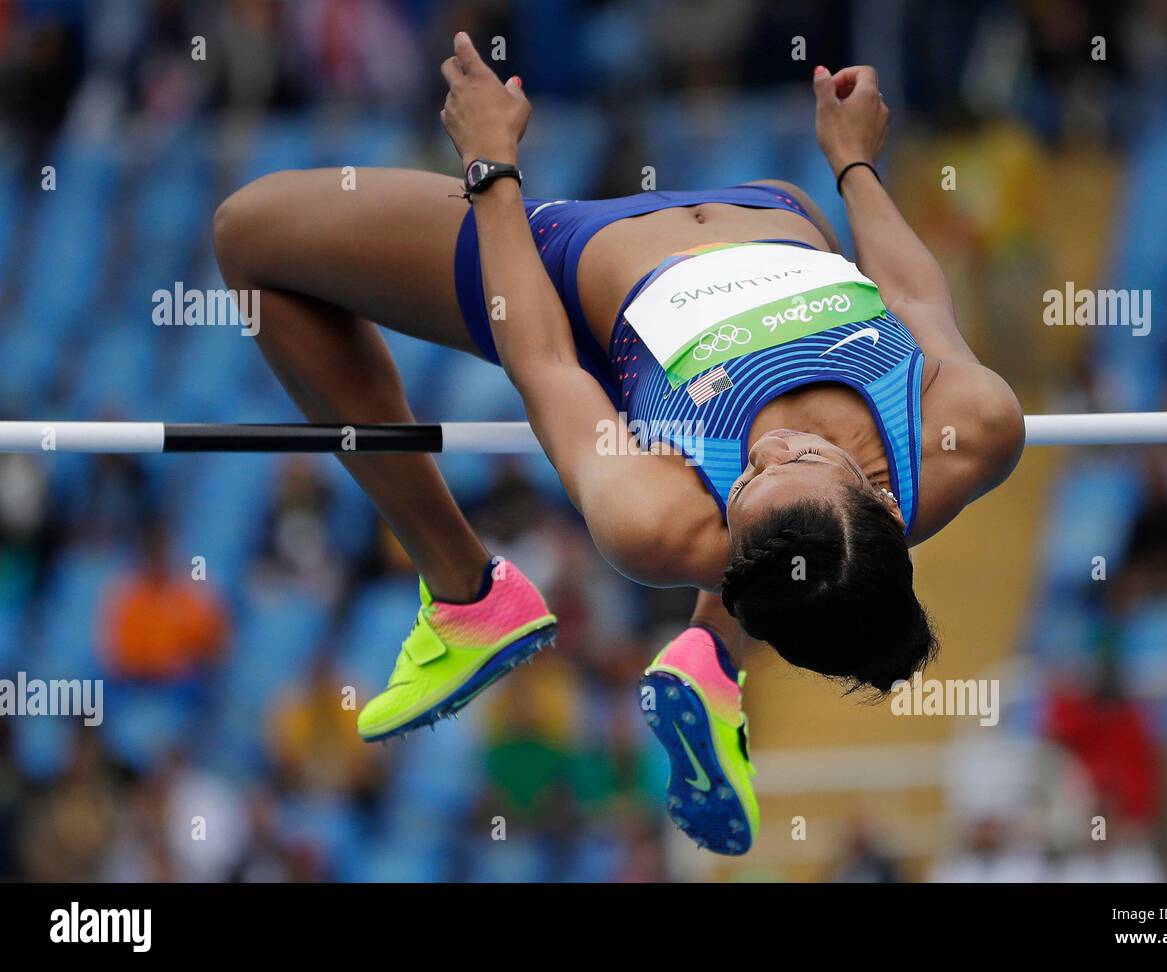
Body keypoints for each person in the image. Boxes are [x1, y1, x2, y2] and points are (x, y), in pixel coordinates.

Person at [213, 32, 1024, 854]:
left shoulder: (661, 519)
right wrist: (855, 166)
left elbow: (544, 362)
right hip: (777, 209)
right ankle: (712, 655)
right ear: (883, 497)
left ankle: (465, 590)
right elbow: (917, 297)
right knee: (789, 555)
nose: (771, 446)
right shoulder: (969, 430)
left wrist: (491, 166)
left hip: (574, 262)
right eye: (804, 461)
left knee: (248, 235)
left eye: (742, 483)